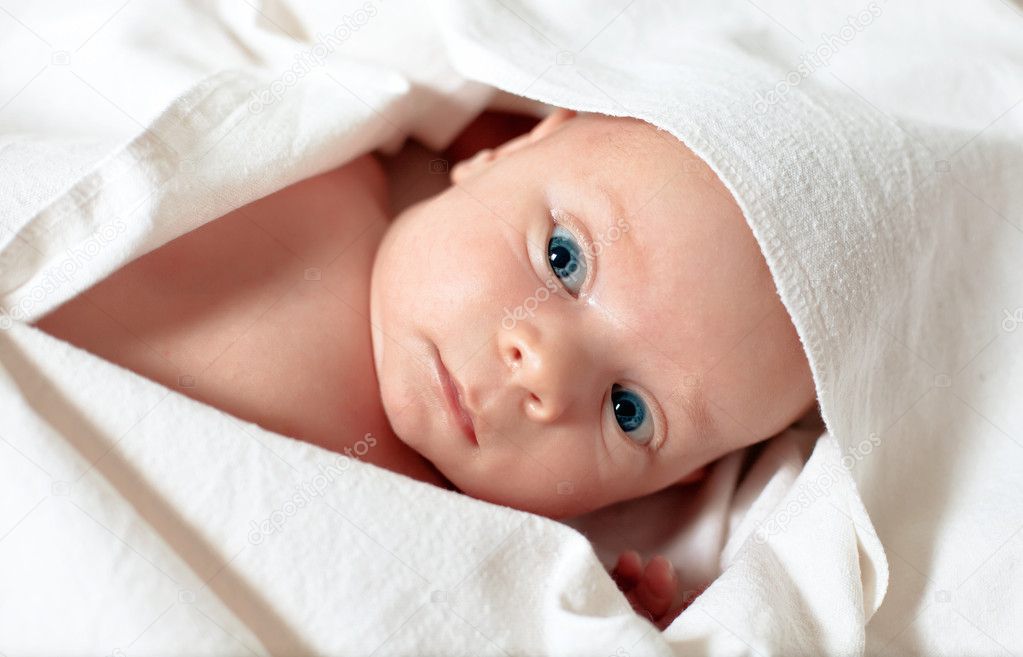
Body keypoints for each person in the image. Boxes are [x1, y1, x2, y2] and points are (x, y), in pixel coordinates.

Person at [33, 107, 817, 629]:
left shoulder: (470, 548)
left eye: (628, 411)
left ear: (654, 489)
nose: (542, 371)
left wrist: (596, 621)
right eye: (563, 256)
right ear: (499, 151)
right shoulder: (331, 152)